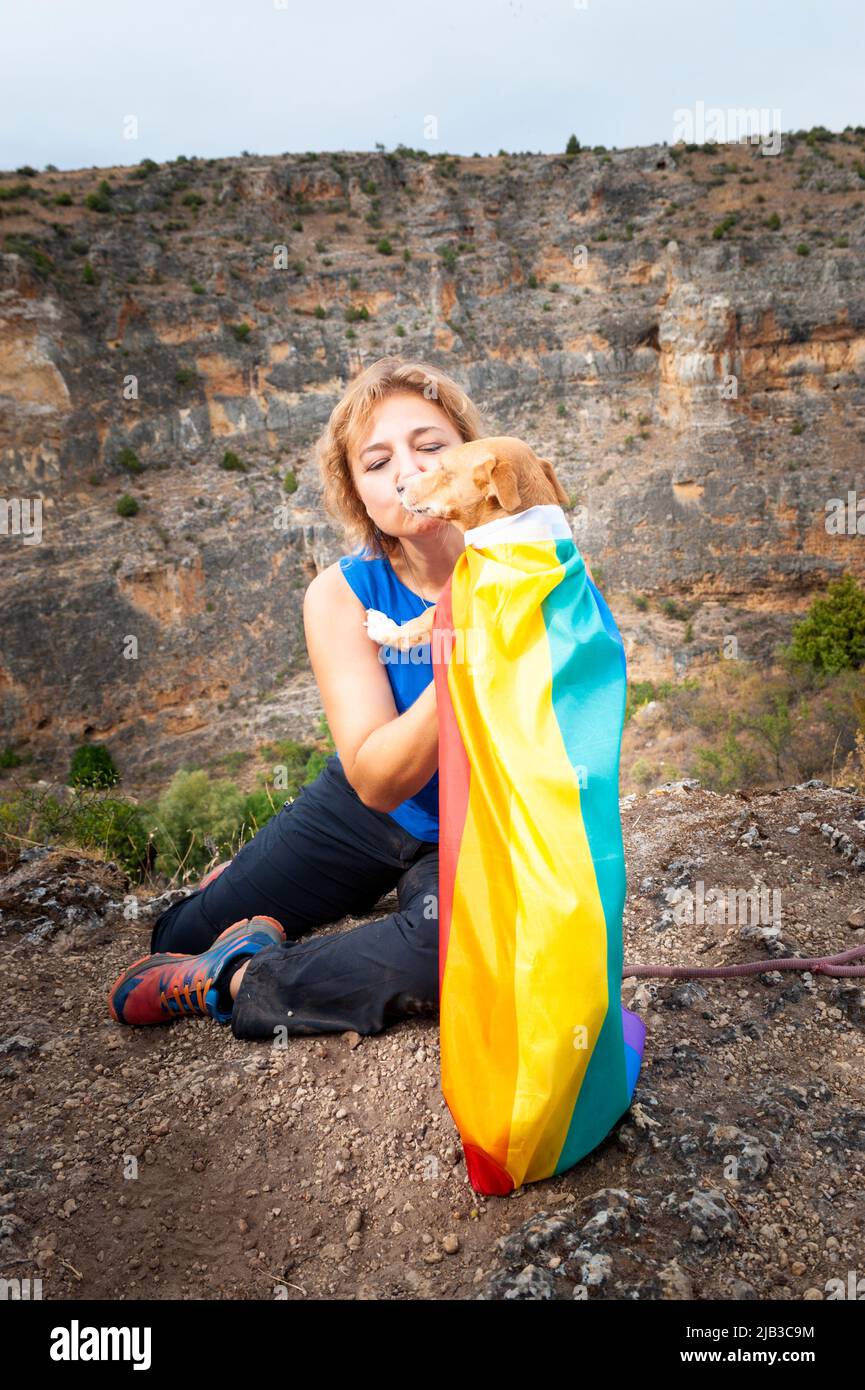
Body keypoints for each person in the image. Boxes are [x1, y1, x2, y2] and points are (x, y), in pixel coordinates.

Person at [108, 356, 486, 1039]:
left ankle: (236, 977)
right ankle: (237, 898)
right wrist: (466, 654)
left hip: (471, 825)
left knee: (456, 950)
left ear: (472, 454)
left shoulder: (524, 567)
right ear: (357, 493)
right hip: (367, 808)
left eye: (431, 445)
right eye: (377, 462)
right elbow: (376, 779)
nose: (411, 470)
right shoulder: (340, 593)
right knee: (182, 930)